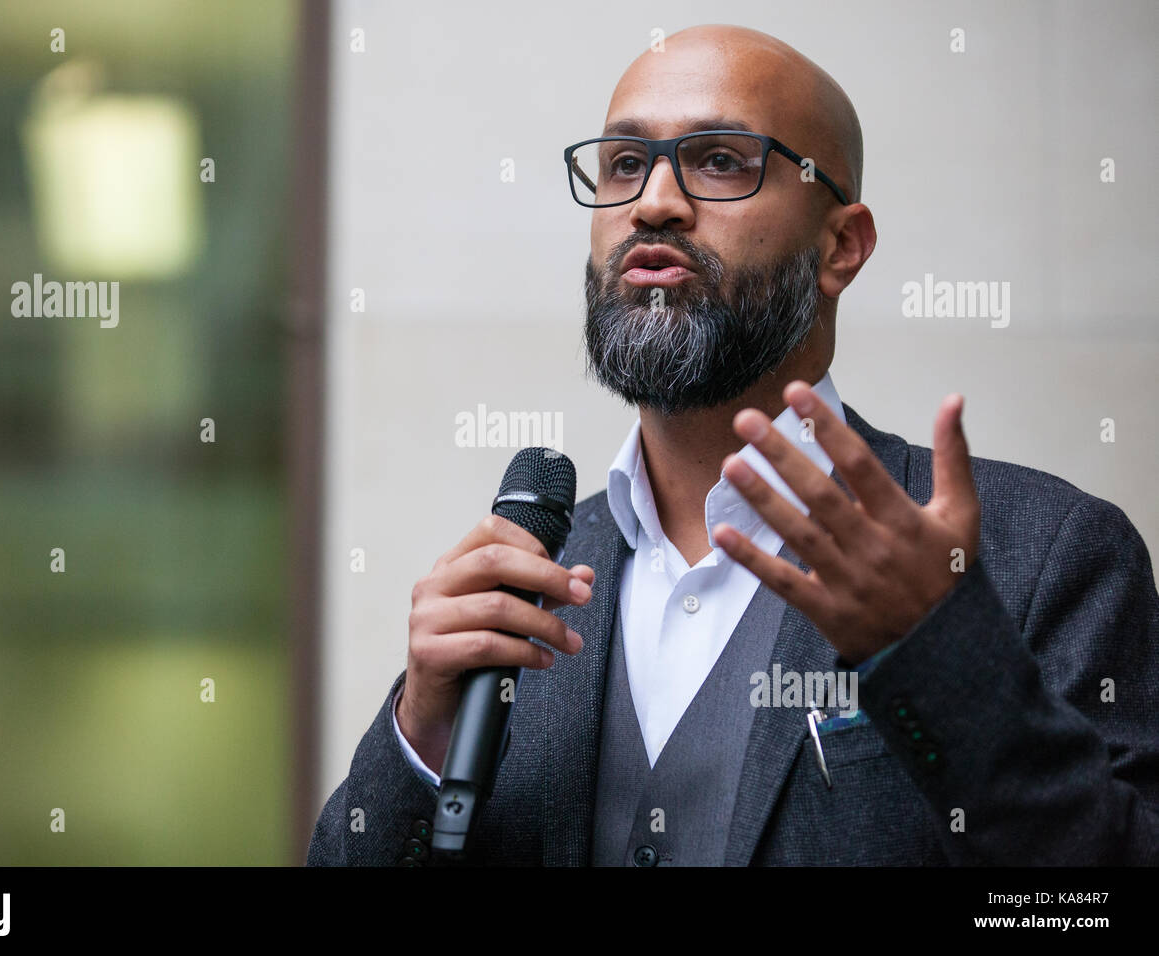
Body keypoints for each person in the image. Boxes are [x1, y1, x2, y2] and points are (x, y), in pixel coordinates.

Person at [307, 24, 1159, 866]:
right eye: (625, 163)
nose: (652, 203)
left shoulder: (1045, 557)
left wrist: (940, 663)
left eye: (719, 160)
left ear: (841, 246)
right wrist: (419, 736)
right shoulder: (522, 603)